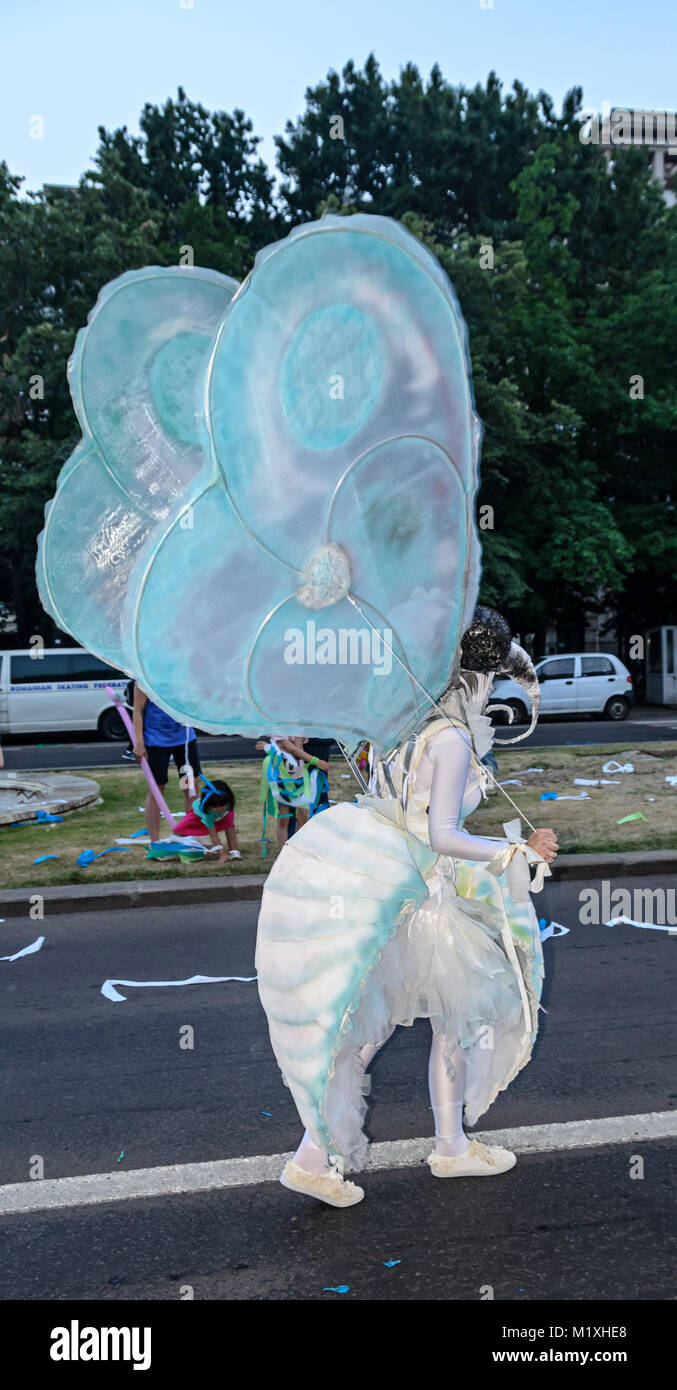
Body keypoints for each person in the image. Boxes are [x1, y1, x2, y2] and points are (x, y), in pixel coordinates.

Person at [256, 606, 558, 1208]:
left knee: (392, 1022)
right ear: (479, 676)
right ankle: (340, 1154)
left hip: (403, 889)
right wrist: (514, 847)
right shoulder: (448, 740)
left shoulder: (404, 725)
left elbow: (401, 808)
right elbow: (442, 834)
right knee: (430, 1021)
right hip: (426, 896)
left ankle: (435, 1147)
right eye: (493, 676)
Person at [132, 685, 200, 842]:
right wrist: (139, 743)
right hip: (155, 742)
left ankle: (190, 836)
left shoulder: (180, 676)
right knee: (157, 788)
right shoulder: (144, 679)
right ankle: (155, 840)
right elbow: (138, 711)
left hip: (184, 740)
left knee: (190, 786)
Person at [173, 776, 241, 864]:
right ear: (209, 805)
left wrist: (233, 852)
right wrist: (222, 853)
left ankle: (234, 852)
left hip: (221, 816)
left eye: (222, 806)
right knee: (178, 831)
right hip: (197, 817)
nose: (218, 809)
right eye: (215, 807)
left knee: (230, 826)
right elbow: (213, 834)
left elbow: (230, 826)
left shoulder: (228, 805)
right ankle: (191, 847)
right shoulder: (207, 811)